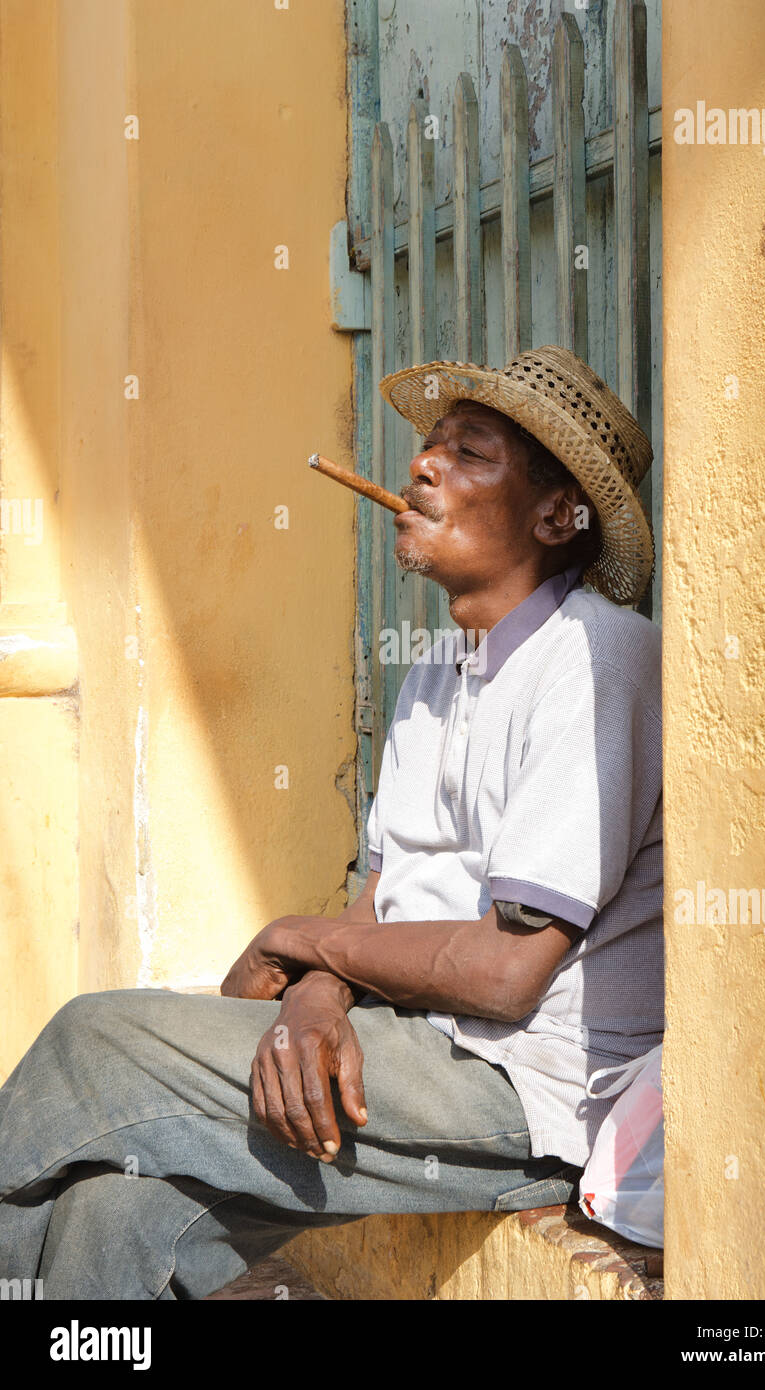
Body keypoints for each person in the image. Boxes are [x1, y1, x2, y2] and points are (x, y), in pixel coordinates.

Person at [0, 347, 663, 1300]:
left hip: (522, 1088)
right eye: (427, 449)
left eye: (469, 454)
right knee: (117, 1212)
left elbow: (508, 972)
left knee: (88, 1042)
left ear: (559, 516)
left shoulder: (600, 661)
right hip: (412, 1041)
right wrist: (313, 998)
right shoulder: (442, 661)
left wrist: (290, 940)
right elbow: (379, 902)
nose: (421, 467)